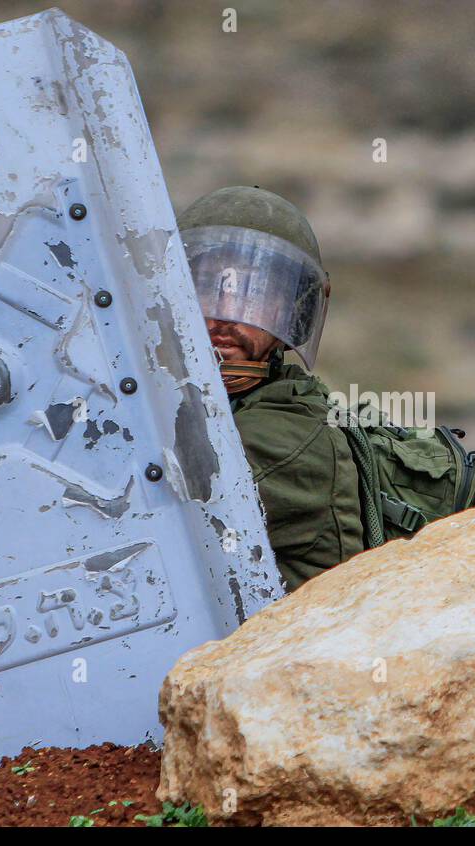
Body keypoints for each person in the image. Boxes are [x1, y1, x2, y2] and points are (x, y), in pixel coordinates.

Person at [177, 186, 364, 592]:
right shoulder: (197, 400)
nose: (225, 318)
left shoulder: (283, 436)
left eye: (253, 294)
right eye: (208, 288)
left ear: (289, 317)